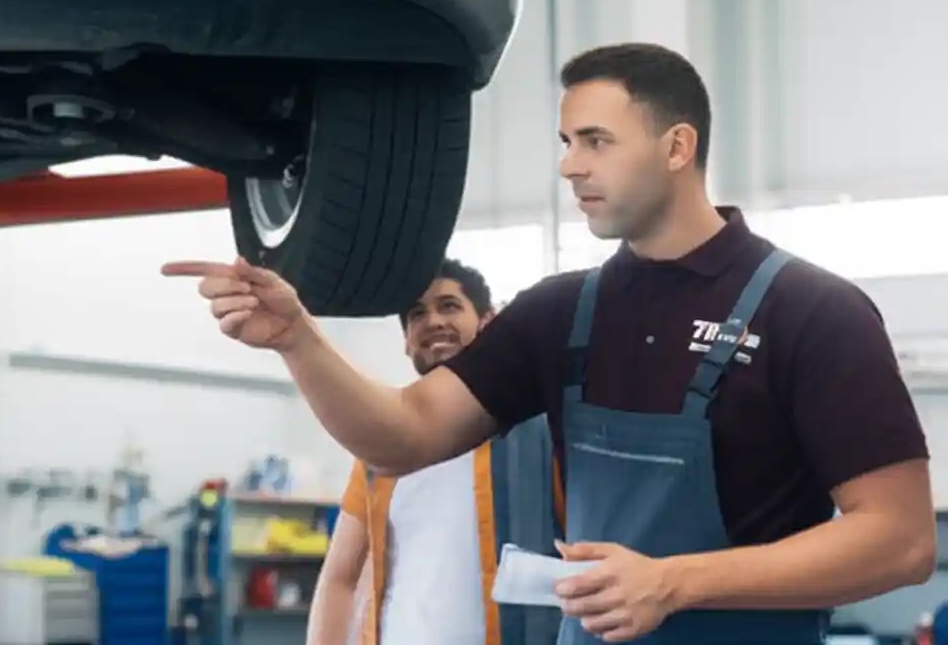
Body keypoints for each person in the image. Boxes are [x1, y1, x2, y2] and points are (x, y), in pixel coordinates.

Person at [164, 42, 937, 644]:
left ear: (677, 147)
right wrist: (299, 342)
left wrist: (676, 582)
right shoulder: (560, 313)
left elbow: (900, 541)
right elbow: (404, 436)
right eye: (567, 141)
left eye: (596, 141)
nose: (570, 166)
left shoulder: (814, 312)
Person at [305, 259, 563, 645]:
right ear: (407, 341)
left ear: (489, 323)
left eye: (449, 306)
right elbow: (340, 576)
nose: (433, 322)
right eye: (417, 314)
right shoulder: (383, 446)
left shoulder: (544, 434)